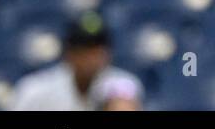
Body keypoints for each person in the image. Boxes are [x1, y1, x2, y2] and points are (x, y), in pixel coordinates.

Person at [10, 12, 144, 111]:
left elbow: (124, 94)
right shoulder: (36, 90)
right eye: (83, 50)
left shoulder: (120, 82)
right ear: (69, 54)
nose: (90, 58)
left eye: (96, 50)